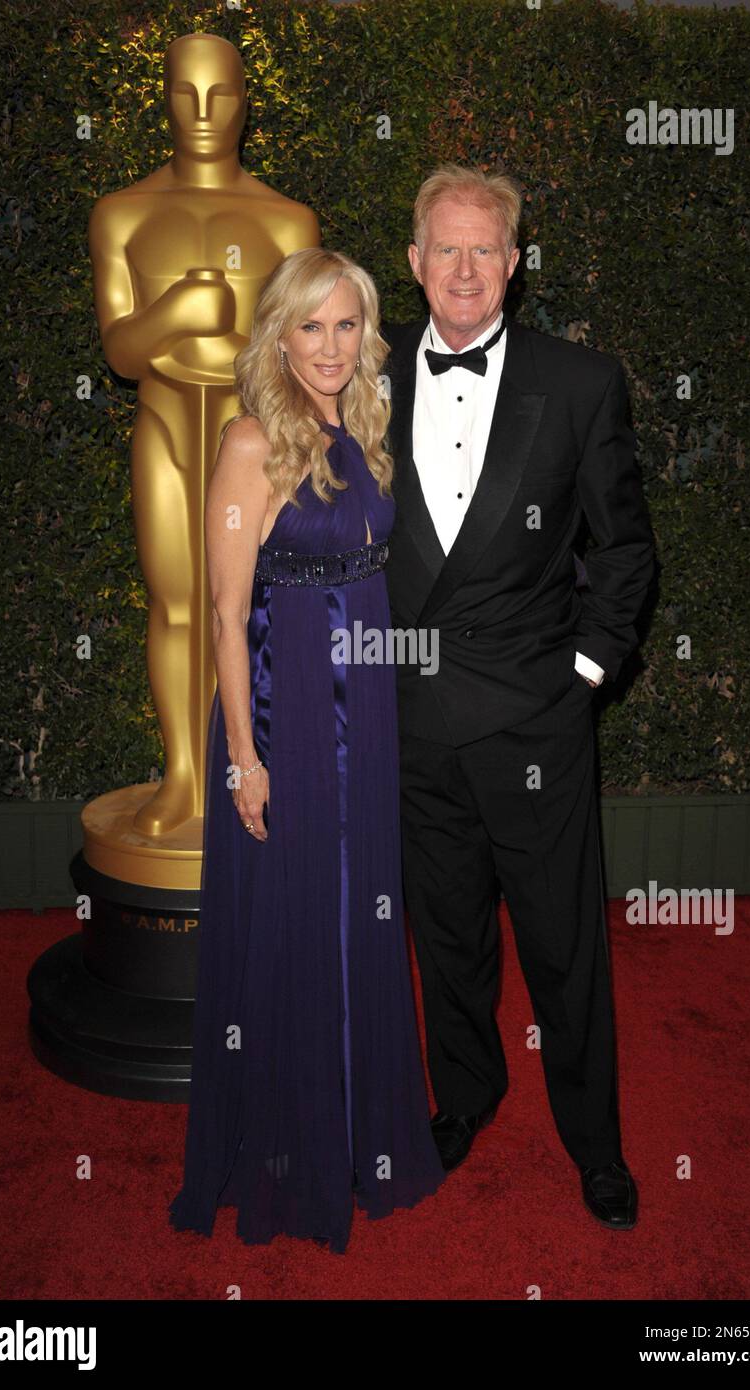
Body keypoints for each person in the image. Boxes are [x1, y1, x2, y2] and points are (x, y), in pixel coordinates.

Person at [382, 164, 656, 1229]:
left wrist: (584, 675)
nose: (462, 268)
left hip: (534, 718)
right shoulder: (359, 370)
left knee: (564, 944)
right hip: (413, 715)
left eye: (482, 248)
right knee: (446, 931)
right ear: (413, 263)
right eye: (442, 248)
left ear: (514, 262)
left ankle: (596, 1145)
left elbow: (625, 551)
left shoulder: (580, 381)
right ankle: (465, 1097)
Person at [168, 247, 445, 1254]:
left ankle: (361, 1135)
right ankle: (288, 1152)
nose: (329, 346)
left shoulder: (364, 427)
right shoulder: (252, 442)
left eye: (346, 326)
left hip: (362, 705)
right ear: (278, 336)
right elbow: (224, 606)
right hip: (287, 706)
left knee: (361, 916)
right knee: (294, 923)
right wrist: (243, 754)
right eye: (311, 326)